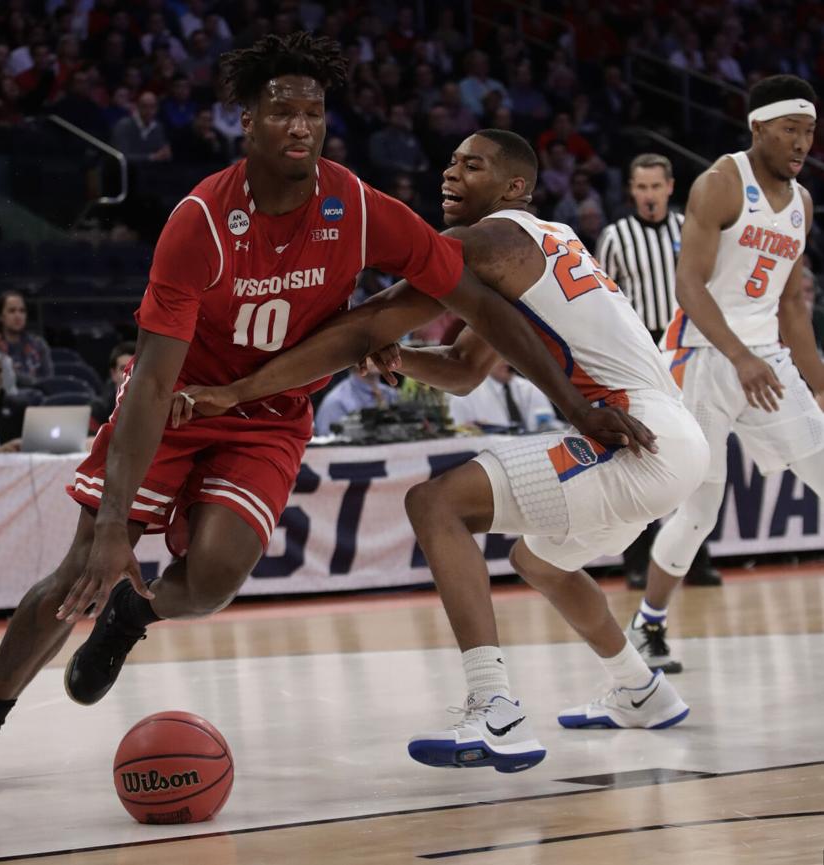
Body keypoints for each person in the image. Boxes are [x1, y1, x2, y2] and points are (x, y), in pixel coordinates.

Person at [0, 34, 645, 797]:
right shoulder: (198, 220)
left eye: (313, 112)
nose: (300, 126)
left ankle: (135, 613)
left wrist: (576, 404)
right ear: (246, 122)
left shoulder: (360, 207)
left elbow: (478, 306)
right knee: (79, 572)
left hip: (270, 415)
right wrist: (110, 530)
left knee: (211, 581)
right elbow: (150, 382)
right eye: (282, 112)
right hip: (177, 401)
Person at [176, 129, 707, 772]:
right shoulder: (547, 244)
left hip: (633, 436)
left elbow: (372, 319)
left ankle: (496, 707)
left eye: (472, 166)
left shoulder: (483, 240)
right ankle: (641, 688)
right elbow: (462, 368)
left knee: (436, 504)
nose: (450, 175)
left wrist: (241, 388)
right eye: (450, 162)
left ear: (515, 187)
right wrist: (402, 363)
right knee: (540, 563)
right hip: (665, 436)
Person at [640, 75, 824, 672]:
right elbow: (687, 286)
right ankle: (649, 625)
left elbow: (793, 304)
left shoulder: (802, 205)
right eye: (790, 130)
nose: (801, 143)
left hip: (764, 358)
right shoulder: (721, 182)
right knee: (699, 510)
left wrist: (818, 381)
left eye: (810, 132)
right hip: (699, 357)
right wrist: (740, 357)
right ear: (759, 128)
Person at [596, 154, 718, 591]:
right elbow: (599, 301)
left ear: (670, 187)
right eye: (641, 187)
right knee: (638, 453)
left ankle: (693, 559)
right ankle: (636, 560)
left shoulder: (690, 228)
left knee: (695, 452)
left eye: (655, 187)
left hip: (687, 348)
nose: (648, 196)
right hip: (637, 353)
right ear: (631, 190)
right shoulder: (615, 237)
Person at [446, 356, 557, 433]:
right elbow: (459, 433)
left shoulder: (531, 387)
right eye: (500, 357)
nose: (506, 362)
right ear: (486, 360)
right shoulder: (465, 394)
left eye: (510, 357)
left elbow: (549, 424)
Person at [314, 367, 399, 435]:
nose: (378, 358)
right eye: (370, 354)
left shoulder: (391, 394)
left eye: (380, 352)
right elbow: (326, 444)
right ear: (353, 360)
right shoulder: (336, 401)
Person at [0, 290, 52, 382]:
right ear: (1, 317)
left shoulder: (38, 344)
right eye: (12, 311)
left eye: (22, 311)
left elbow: (48, 380)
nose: (18, 316)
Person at [90, 339, 136, 428]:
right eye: (123, 369)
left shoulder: (156, 405)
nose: (129, 375)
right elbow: (91, 439)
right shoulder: (99, 410)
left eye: (134, 369)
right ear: (113, 374)